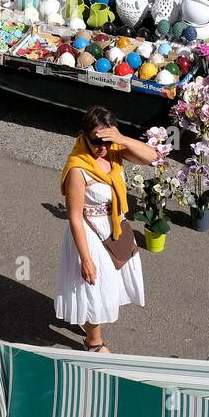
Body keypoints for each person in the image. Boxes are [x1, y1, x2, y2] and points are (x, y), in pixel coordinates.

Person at [56, 106, 159, 353]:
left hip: (113, 226)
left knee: (106, 286)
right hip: (90, 232)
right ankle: (94, 343)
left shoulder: (114, 152)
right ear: (84, 136)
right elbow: (74, 217)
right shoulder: (77, 169)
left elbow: (151, 157)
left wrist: (121, 139)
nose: (102, 147)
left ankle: (88, 324)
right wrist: (86, 259)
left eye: (106, 140)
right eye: (96, 141)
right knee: (95, 289)